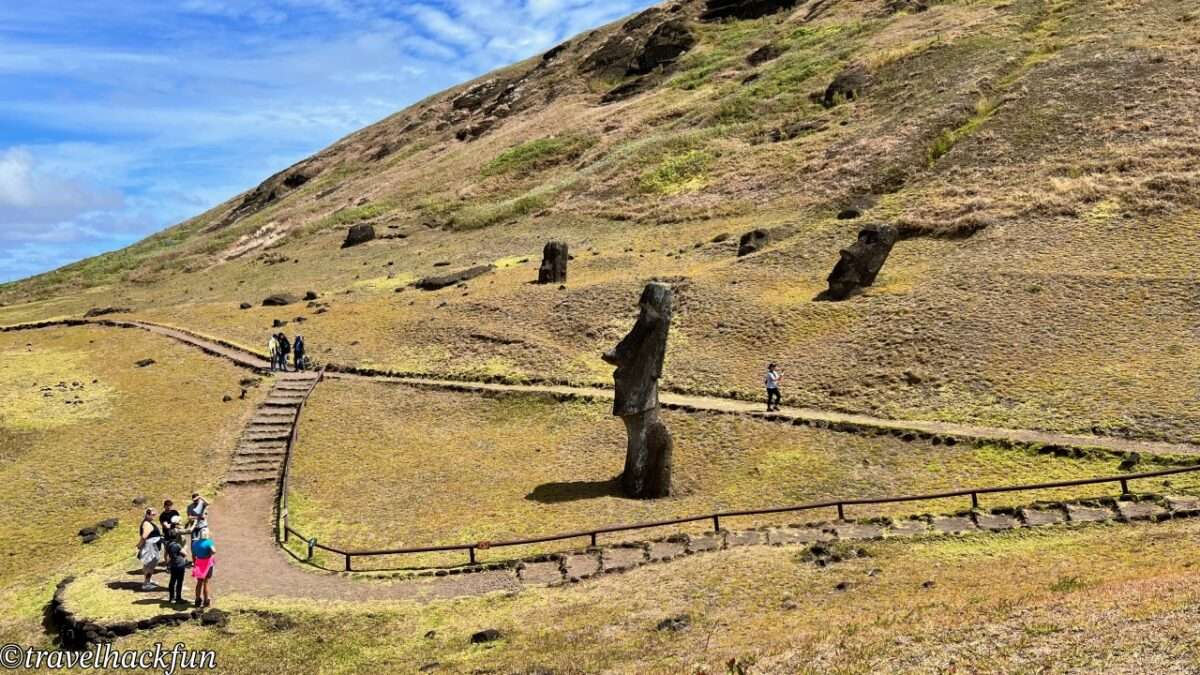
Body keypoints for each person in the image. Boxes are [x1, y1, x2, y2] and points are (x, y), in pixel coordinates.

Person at [136, 508, 163, 591]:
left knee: (148, 564)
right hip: (150, 547)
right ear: (147, 514)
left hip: (152, 546)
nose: (153, 516)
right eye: (152, 514)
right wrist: (139, 545)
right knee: (150, 565)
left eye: (154, 514)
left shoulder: (148, 522)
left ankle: (148, 581)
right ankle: (146, 584)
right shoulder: (147, 524)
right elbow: (144, 536)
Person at [191, 528, 216, 608]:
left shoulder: (194, 543)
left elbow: (193, 554)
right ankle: (206, 601)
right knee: (205, 583)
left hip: (199, 562)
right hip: (207, 563)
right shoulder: (209, 542)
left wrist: (195, 562)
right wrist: (211, 554)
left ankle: (197, 600)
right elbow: (214, 551)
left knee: (199, 582)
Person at [164, 531, 188, 605]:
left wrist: (167, 563)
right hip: (180, 564)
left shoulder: (167, 544)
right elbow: (185, 554)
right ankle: (178, 597)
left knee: (172, 581)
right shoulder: (177, 545)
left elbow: (166, 555)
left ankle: (171, 598)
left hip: (173, 565)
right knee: (179, 581)